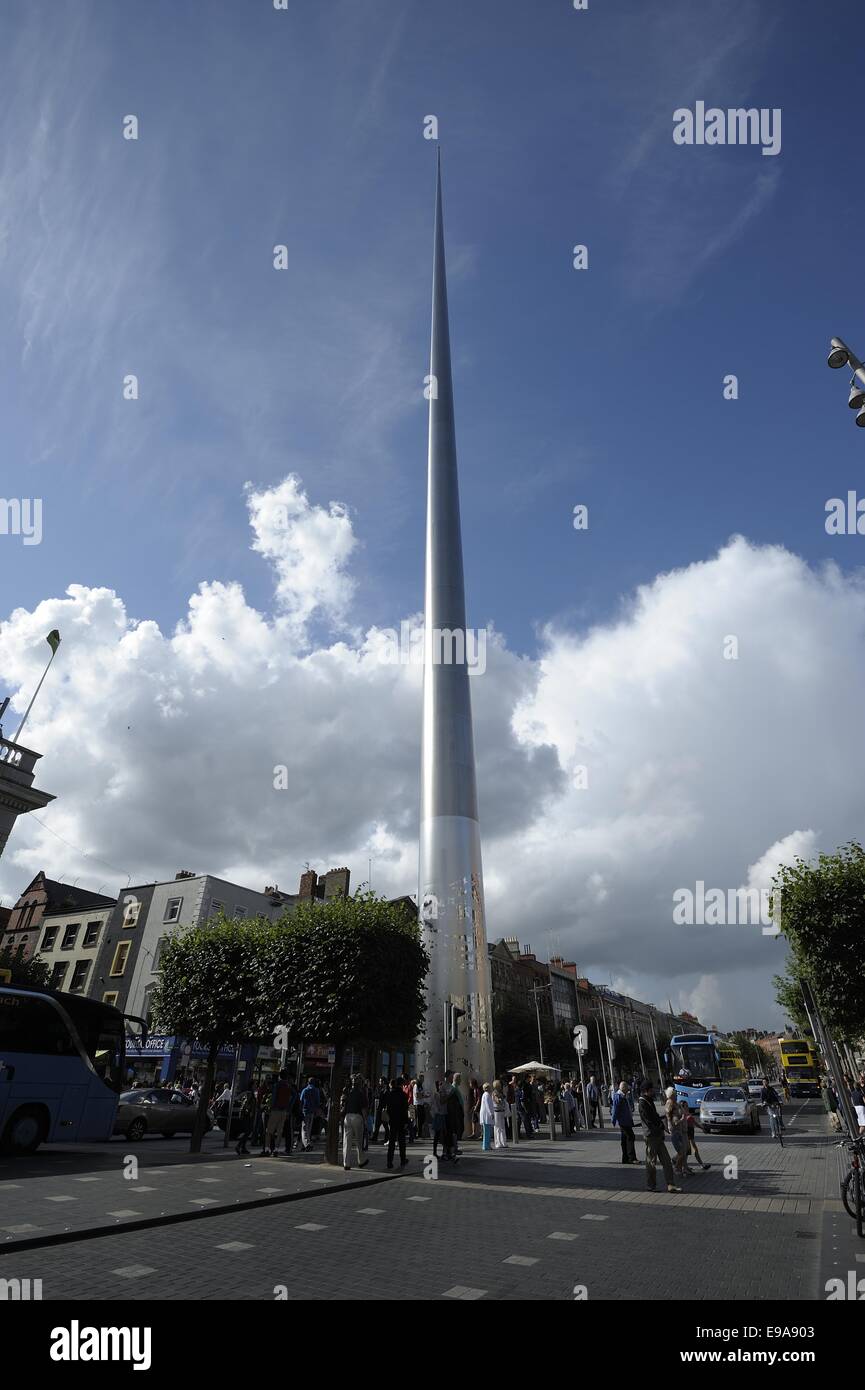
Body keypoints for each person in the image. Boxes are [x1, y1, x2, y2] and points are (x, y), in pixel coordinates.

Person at [638, 1082, 681, 1194]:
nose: (653, 1092)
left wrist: (662, 1127)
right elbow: (648, 1120)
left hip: (657, 1135)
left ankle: (671, 1184)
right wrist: (658, 1128)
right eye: (651, 1090)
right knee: (651, 1162)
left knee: (666, 1161)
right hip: (651, 1136)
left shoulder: (649, 1100)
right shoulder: (642, 1102)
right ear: (647, 1090)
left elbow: (656, 1116)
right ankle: (651, 1185)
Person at [341, 1074, 370, 1171]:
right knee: (359, 1141)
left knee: (347, 1141)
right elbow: (363, 1109)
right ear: (359, 1083)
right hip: (357, 1117)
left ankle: (346, 1163)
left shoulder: (347, 1091)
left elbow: (343, 1103)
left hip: (347, 1117)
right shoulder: (361, 1093)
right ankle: (361, 1161)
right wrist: (365, 1121)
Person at [264, 1069, 294, 1157]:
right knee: (279, 1132)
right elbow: (295, 1095)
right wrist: (289, 1106)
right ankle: (276, 1150)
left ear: (280, 1076)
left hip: (276, 1110)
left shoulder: (277, 1085)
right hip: (284, 1111)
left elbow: (274, 1097)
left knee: (269, 1131)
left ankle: (267, 1149)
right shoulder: (288, 1086)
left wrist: (271, 1107)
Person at [383, 1075, 410, 1169]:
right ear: (401, 1084)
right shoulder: (403, 1095)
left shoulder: (390, 1094)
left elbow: (388, 1108)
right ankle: (403, 1159)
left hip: (392, 1121)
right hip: (401, 1121)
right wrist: (406, 1121)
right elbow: (405, 1109)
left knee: (391, 1142)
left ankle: (389, 1162)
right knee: (402, 1142)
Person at [610, 1081, 638, 1164]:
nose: (628, 1089)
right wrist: (613, 1120)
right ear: (623, 1088)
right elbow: (615, 1109)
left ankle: (625, 1158)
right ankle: (631, 1157)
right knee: (630, 1137)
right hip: (623, 1121)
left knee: (624, 1139)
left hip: (626, 1120)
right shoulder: (618, 1096)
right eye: (627, 1088)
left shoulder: (623, 1095)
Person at [665, 1086, 689, 1177]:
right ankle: (676, 1168)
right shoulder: (670, 1103)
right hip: (675, 1131)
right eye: (674, 1094)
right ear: (671, 1095)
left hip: (679, 1130)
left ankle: (678, 1166)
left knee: (683, 1151)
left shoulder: (675, 1103)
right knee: (681, 1152)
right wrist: (681, 1119)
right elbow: (671, 1119)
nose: (676, 1096)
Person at [682, 1101, 710, 1170]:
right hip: (687, 1134)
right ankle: (701, 1165)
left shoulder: (688, 1113)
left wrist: (702, 1128)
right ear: (682, 1107)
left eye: (687, 1105)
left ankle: (681, 1164)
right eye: (685, 1106)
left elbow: (694, 1123)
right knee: (692, 1150)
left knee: (687, 1151)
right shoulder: (682, 1115)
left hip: (691, 1134)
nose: (687, 1107)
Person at [299, 1075, 319, 1151]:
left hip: (305, 1111)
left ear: (308, 1082)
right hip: (312, 1112)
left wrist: (300, 1110)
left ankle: (307, 1144)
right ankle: (305, 1144)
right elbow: (317, 1102)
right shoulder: (316, 1090)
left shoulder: (305, 1090)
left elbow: (301, 1101)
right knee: (309, 1129)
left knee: (304, 1129)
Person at [235, 1085, 256, 1155]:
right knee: (248, 1132)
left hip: (246, 1116)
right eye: (254, 1085)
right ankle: (239, 1146)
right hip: (248, 1116)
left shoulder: (249, 1095)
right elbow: (248, 1106)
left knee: (247, 1132)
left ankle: (243, 1148)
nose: (255, 1086)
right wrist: (250, 1113)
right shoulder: (250, 1094)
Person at [431, 1079, 448, 1158]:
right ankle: (437, 1152)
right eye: (440, 1084)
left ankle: (440, 1152)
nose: (441, 1086)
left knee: (440, 1134)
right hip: (439, 1115)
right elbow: (440, 1102)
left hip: (440, 1115)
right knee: (439, 1134)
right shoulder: (437, 1094)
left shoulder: (438, 1093)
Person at [371, 1077, 390, 1145]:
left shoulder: (387, 1091)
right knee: (377, 1124)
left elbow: (387, 1101)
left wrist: (385, 1108)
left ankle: (387, 1138)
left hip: (383, 1110)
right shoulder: (382, 1090)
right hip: (379, 1109)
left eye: (380, 1081)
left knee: (385, 1125)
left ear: (383, 1082)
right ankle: (375, 1137)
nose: (379, 1083)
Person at [491, 1081, 510, 1148]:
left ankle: (503, 1142)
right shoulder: (494, 1093)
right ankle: (498, 1143)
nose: (500, 1086)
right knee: (498, 1127)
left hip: (501, 1111)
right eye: (499, 1085)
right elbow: (497, 1101)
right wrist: (500, 1099)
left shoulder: (500, 1092)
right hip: (497, 1111)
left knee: (502, 1127)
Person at [413, 1075, 431, 1139]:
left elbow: (421, 1095)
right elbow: (417, 1095)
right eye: (421, 1079)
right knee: (418, 1120)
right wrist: (424, 1095)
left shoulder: (421, 1086)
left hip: (421, 1104)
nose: (422, 1080)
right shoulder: (416, 1086)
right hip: (417, 1104)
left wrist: (424, 1096)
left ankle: (420, 1133)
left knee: (422, 1119)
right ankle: (418, 1134)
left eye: (423, 1079)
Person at [479, 1083, 495, 1151]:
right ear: (486, 1088)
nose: (491, 1088)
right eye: (489, 1087)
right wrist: (491, 1113)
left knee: (487, 1132)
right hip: (486, 1116)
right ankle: (486, 1146)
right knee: (487, 1132)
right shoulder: (487, 1095)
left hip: (486, 1115)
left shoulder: (486, 1095)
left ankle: (487, 1145)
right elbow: (488, 1105)